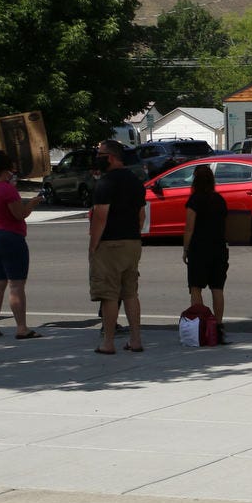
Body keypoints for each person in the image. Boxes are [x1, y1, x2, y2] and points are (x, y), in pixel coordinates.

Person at [88, 138, 146, 355]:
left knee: (109, 295)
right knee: (130, 293)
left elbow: (100, 217)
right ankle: (135, 340)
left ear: (111, 158)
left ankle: (108, 342)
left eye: (100, 154)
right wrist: (133, 234)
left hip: (110, 244)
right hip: (132, 242)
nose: (97, 158)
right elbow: (142, 215)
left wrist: (93, 246)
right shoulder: (135, 180)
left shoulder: (106, 183)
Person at [0, 149, 40, 340]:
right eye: (13, 170)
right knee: (16, 284)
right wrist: (33, 202)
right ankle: (21, 328)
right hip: (10, 236)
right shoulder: (7, 190)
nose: (15, 173)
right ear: (7, 170)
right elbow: (19, 214)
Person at [182, 165, 230, 340]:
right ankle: (218, 326)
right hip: (219, 248)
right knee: (217, 288)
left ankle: (200, 325)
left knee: (196, 288)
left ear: (195, 181)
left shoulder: (194, 200)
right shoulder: (219, 199)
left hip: (199, 249)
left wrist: (185, 249)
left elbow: (189, 228)